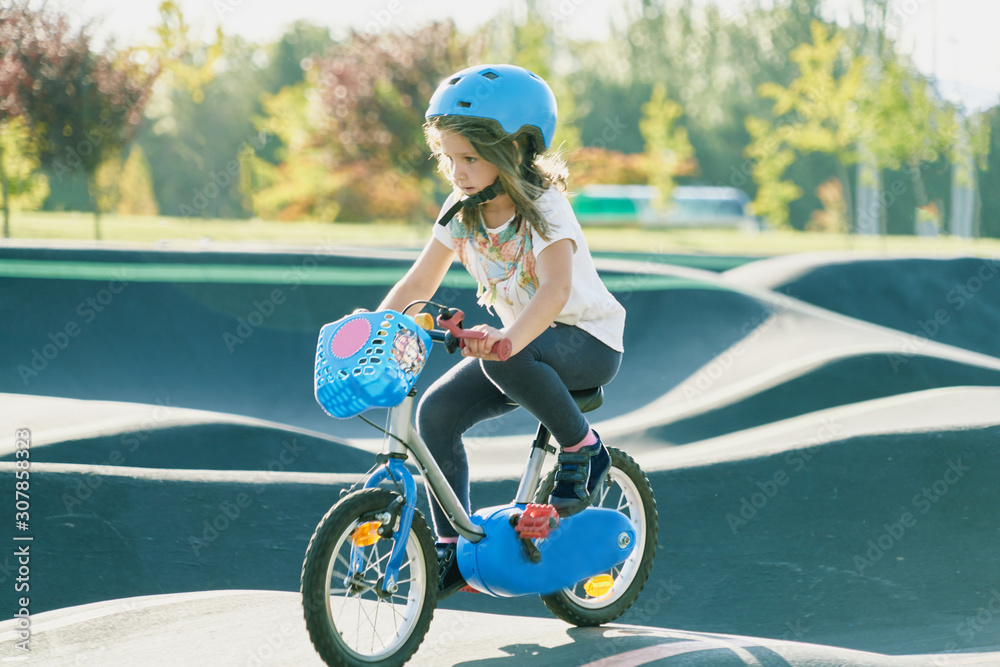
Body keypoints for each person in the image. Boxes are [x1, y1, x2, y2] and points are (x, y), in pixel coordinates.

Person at [376, 64, 626, 597]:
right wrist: (375, 328)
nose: (457, 170)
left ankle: (584, 448)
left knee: (507, 357)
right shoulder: (459, 212)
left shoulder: (545, 208)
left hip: (588, 341)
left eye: (470, 157)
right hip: (520, 348)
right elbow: (419, 279)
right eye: (449, 157)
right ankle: (451, 551)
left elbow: (556, 290)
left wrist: (509, 340)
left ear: (513, 150)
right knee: (436, 413)